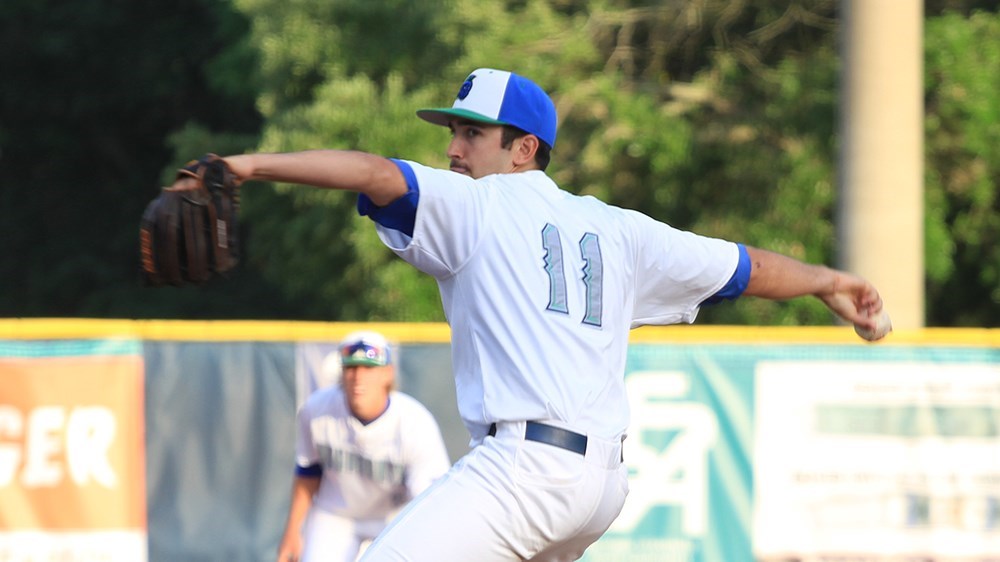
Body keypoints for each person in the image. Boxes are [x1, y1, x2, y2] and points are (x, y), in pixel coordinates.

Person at [175, 68, 888, 561]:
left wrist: (245, 166)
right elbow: (743, 267)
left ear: (524, 150)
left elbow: (370, 171)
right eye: (453, 131)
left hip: (523, 471)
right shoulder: (623, 230)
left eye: (474, 135)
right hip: (599, 487)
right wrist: (828, 280)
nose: (454, 148)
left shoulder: (477, 203)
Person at [275, 330, 450, 562]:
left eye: (369, 368)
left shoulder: (415, 423)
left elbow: (427, 500)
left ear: (387, 374)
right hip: (335, 516)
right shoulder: (316, 411)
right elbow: (308, 473)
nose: (358, 376)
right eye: (351, 367)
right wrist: (293, 531)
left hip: (394, 517)